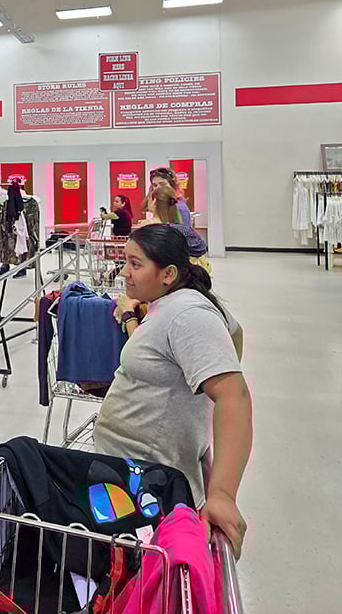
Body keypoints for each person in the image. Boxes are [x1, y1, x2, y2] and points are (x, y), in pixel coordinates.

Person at [94, 225, 251, 559]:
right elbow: (235, 332)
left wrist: (222, 493)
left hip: (150, 484)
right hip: (127, 474)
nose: (125, 272)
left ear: (168, 273)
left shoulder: (188, 314)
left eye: (135, 264)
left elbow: (233, 395)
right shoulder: (170, 303)